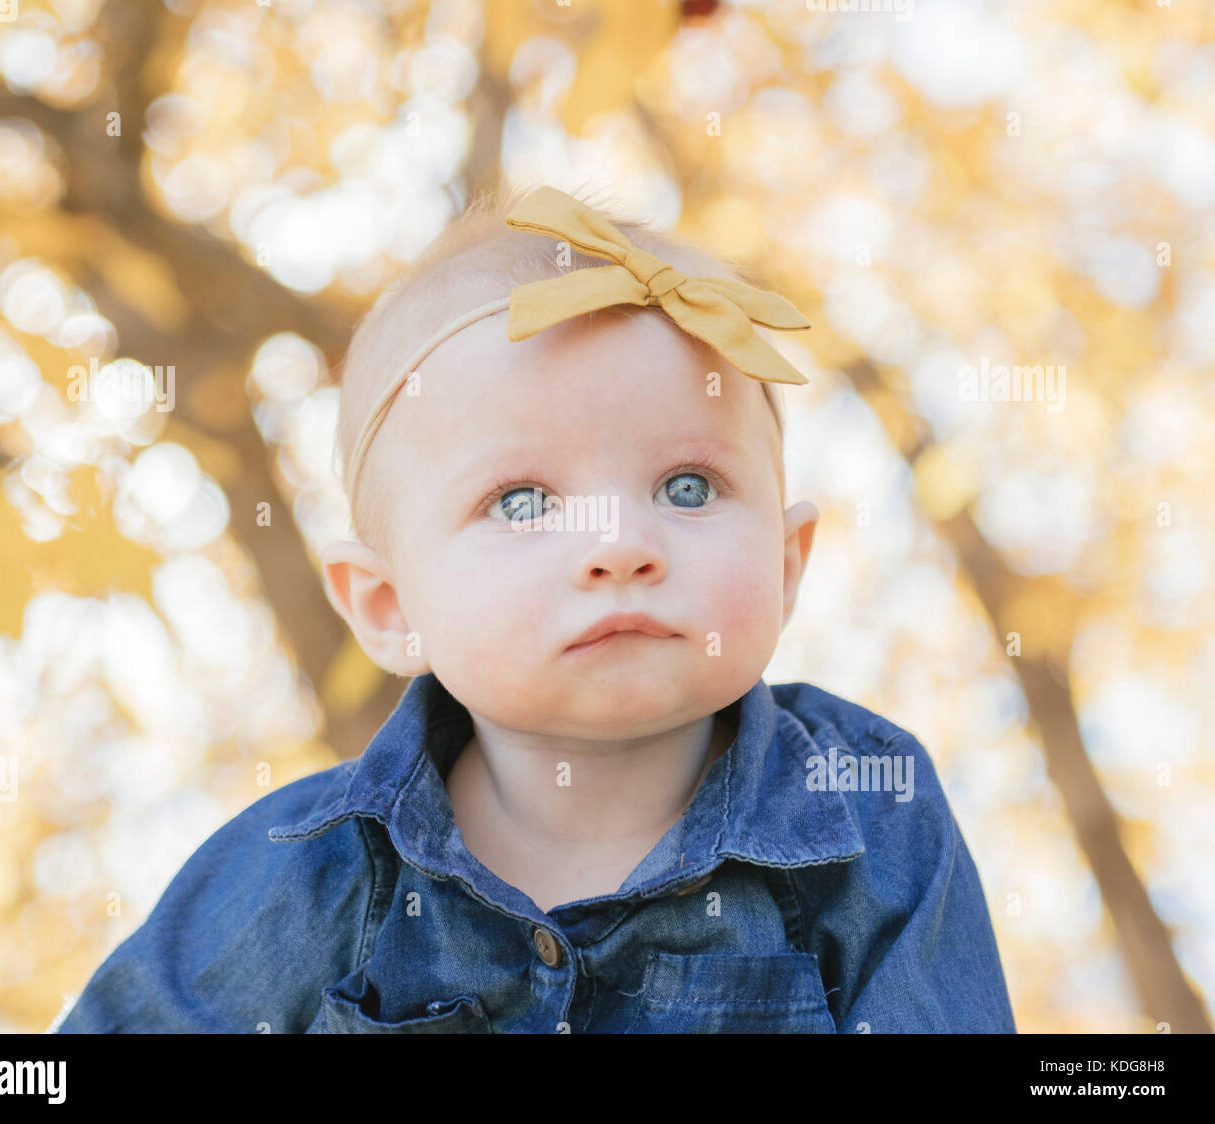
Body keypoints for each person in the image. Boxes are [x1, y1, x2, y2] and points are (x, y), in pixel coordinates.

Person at [56, 183, 1015, 1033]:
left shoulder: (861, 802)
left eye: (686, 486)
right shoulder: (312, 872)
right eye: (521, 503)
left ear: (786, 561)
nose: (619, 544)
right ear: (391, 606)